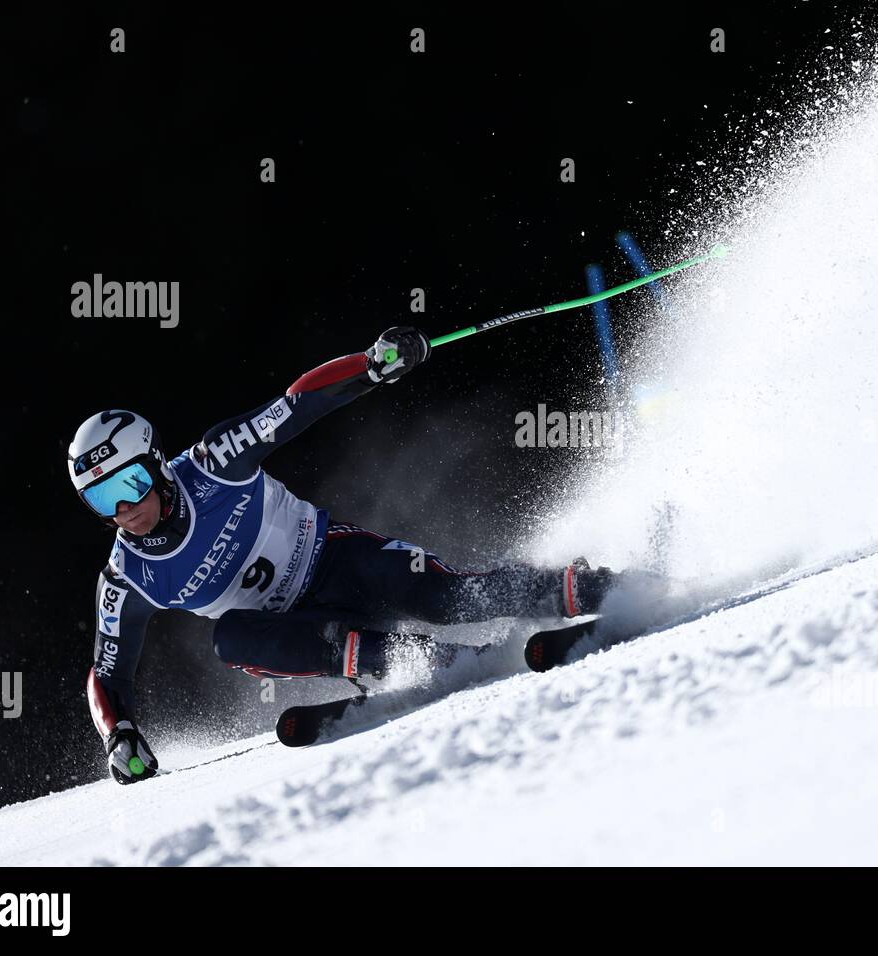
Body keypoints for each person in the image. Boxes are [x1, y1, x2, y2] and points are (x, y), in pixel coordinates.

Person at [69, 327, 627, 785]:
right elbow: (108, 671)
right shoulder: (127, 579)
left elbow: (296, 405)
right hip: (304, 629)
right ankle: (422, 662)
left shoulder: (214, 463)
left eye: (132, 482)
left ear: (158, 464)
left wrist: (371, 364)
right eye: (101, 498)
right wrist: (120, 735)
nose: (124, 508)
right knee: (229, 638)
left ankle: (582, 587)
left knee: (447, 597)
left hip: (337, 562)